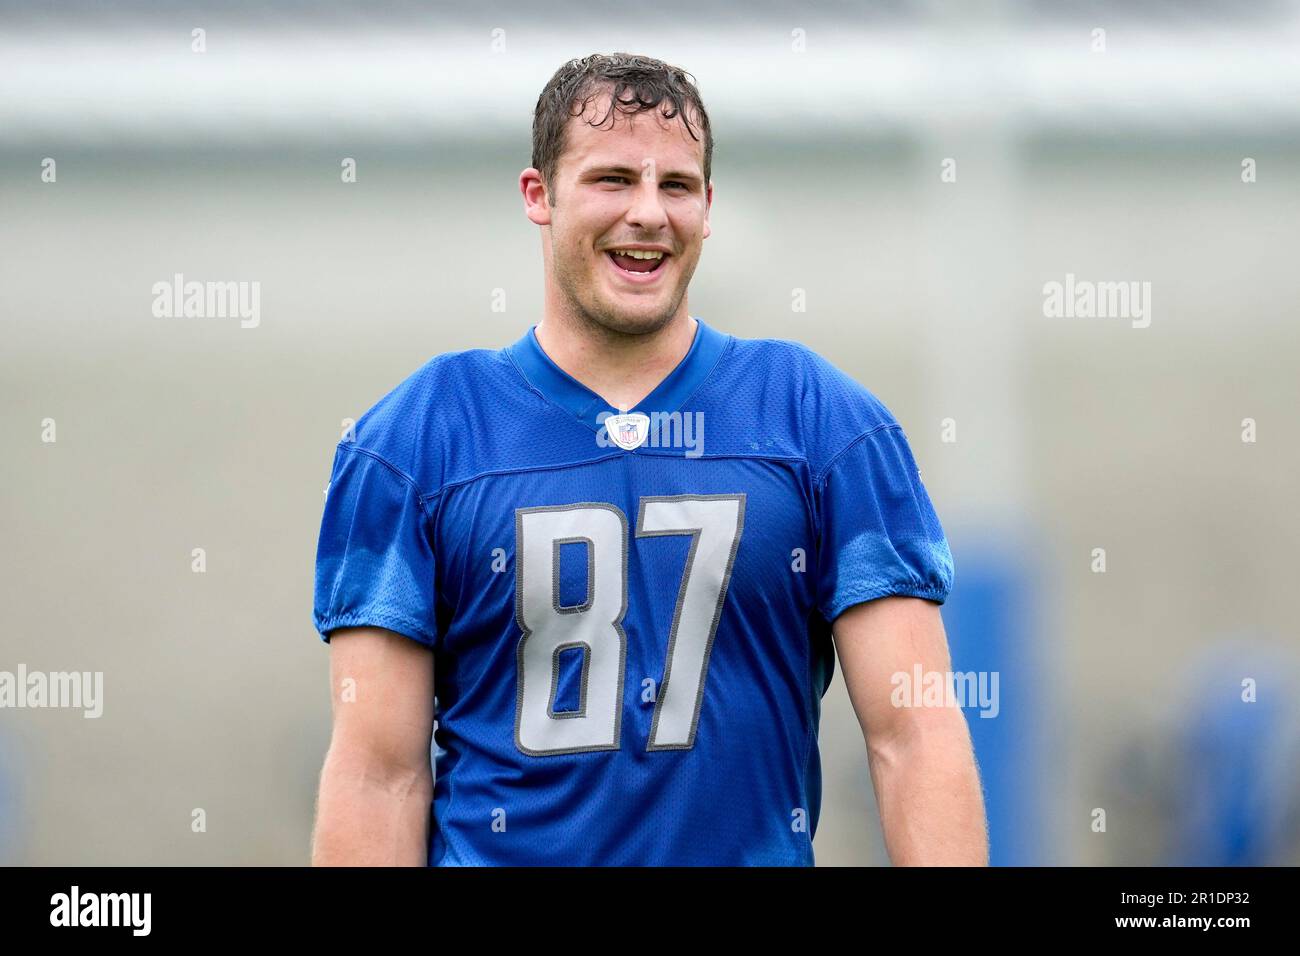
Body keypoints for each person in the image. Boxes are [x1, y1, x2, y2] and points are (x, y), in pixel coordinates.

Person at [310, 52, 987, 866]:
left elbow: (914, 735)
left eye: (676, 186)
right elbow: (378, 775)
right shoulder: (418, 437)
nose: (648, 213)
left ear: (708, 206)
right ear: (540, 196)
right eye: (612, 180)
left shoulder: (819, 419)